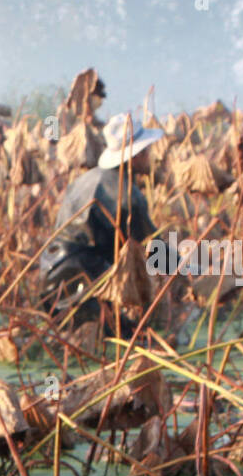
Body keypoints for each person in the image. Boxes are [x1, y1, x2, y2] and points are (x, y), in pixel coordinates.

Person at [39, 112, 162, 323]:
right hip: (87, 278)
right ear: (135, 156)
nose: (151, 156)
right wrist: (188, 268)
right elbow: (151, 247)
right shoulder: (127, 194)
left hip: (51, 272)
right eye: (146, 151)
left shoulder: (86, 179)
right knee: (129, 334)